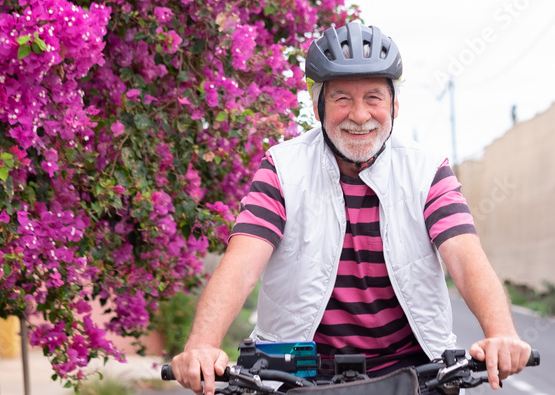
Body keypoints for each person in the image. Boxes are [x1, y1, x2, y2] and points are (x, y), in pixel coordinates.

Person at [171, 23, 531, 394]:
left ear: (394, 104)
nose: (360, 115)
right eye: (343, 98)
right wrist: (201, 345)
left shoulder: (427, 170)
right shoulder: (282, 168)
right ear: (317, 107)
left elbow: (466, 258)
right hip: (296, 375)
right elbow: (241, 265)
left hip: (411, 375)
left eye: (374, 98)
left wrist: (501, 333)